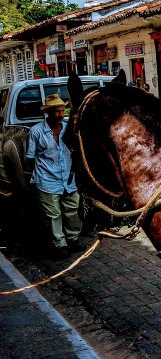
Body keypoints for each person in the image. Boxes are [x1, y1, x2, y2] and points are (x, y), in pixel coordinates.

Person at [25, 93, 84, 256]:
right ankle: (60, 244)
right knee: (53, 215)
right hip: (46, 181)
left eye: (62, 111)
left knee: (72, 210)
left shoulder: (68, 129)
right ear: (48, 112)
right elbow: (29, 158)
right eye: (57, 111)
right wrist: (37, 178)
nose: (60, 115)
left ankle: (72, 238)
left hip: (68, 180)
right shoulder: (36, 132)